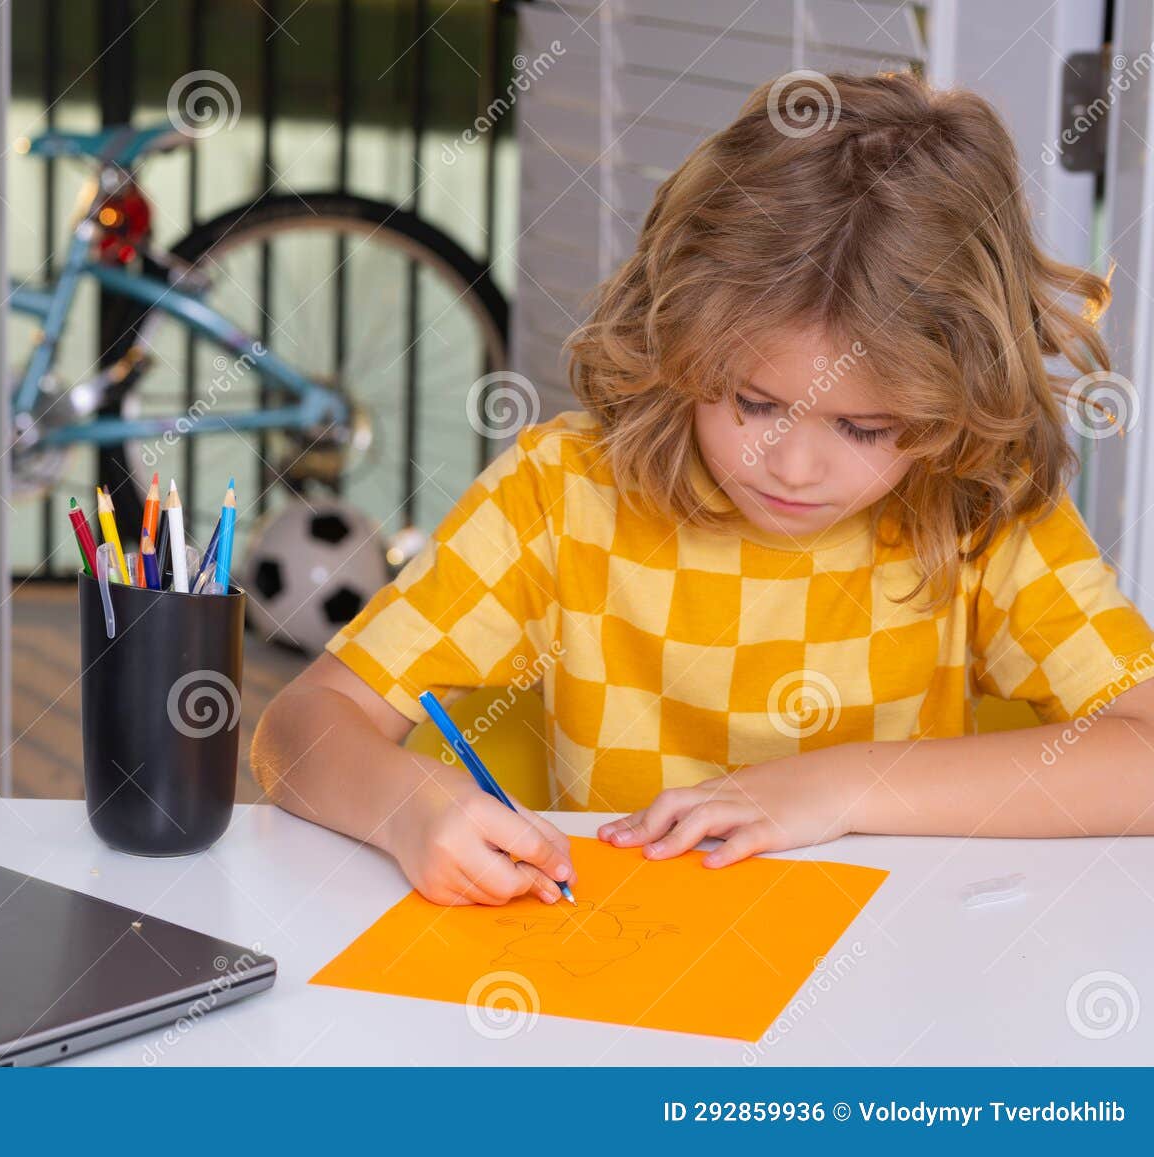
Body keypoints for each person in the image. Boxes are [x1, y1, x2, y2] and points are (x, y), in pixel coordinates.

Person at [250, 71, 1154, 906]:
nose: (795, 467)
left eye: (866, 428)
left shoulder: (975, 511)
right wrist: (411, 808)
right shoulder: (561, 497)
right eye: (757, 402)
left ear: (960, 402)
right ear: (678, 342)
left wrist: (841, 785)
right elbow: (297, 730)